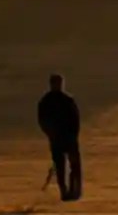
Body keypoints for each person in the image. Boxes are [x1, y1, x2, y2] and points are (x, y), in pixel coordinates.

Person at [37, 73, 82, 202]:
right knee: (61, 166)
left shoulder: (65, 100)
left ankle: (74, 191)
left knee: (73, 165)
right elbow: (42, 121)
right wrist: (51, 133)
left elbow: (75, 120)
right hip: (59, 139)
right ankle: (65, 191)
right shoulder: (46, 101)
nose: (58, 85)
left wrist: (73, 135)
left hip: (67, 138)